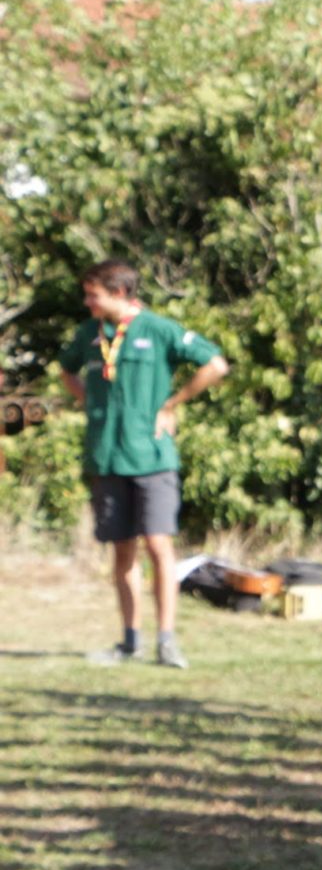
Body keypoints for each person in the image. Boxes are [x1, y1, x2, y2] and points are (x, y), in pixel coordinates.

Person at [58, 258, 228, 669]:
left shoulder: (159, 329)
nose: (87, 302)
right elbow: (66, 370)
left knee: (158, 546)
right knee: (122, 553)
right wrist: (90, 402)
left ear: (119, 293)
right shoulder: (89, 334)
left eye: (93, 294)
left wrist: (173, 403)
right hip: (108, 457)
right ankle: (130, 641)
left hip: (152, 457)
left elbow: (216, 364)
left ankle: (166, 642)